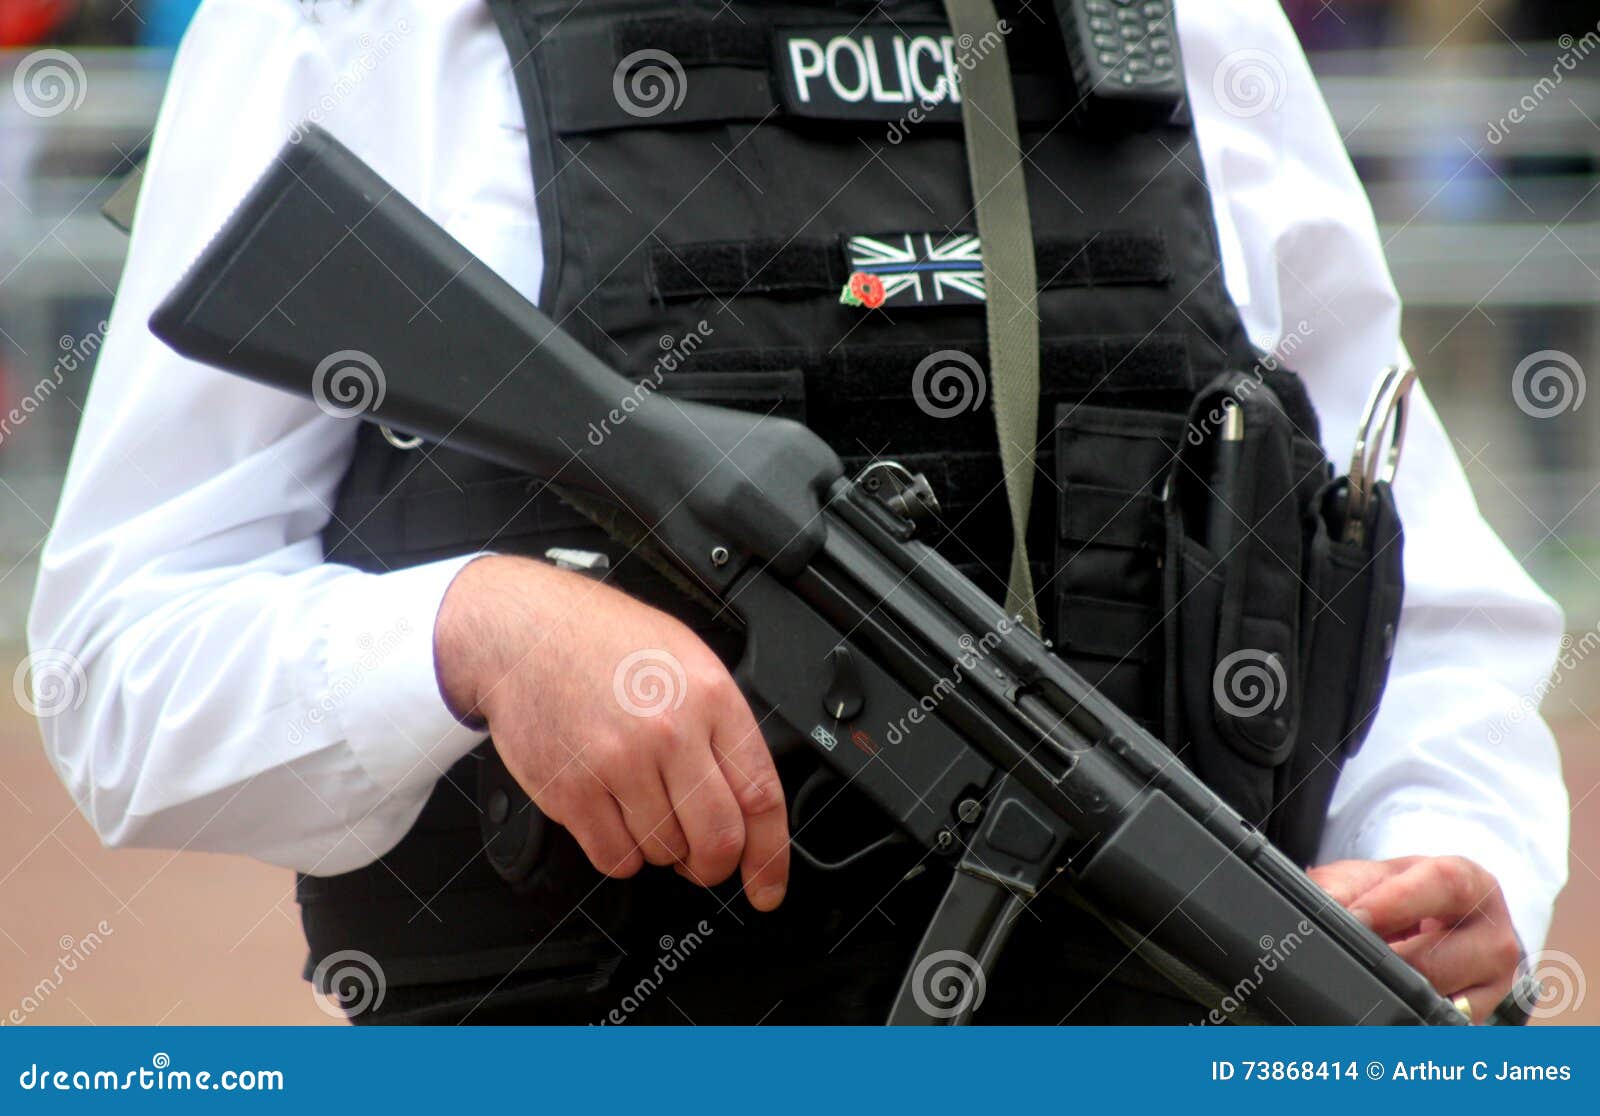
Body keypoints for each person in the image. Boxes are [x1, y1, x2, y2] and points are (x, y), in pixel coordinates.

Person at [30, 0, 1567, 1024]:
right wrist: (470, 635)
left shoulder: (1178, 23)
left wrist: (1450, 849)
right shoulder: (365, 23)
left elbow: (1412, 597)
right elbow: (117, 663)